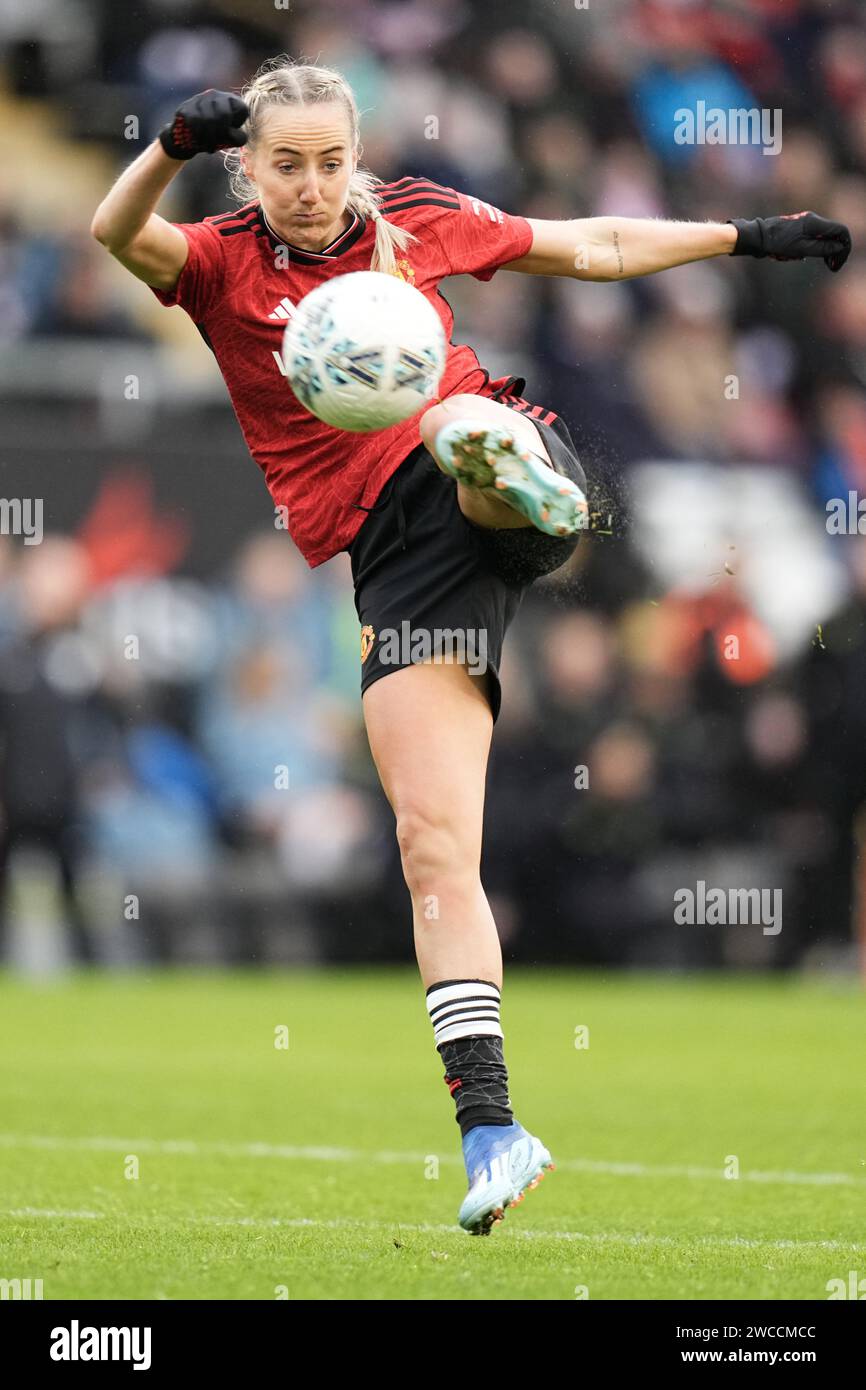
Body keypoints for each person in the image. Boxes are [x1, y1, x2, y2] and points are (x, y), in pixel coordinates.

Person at [91, 57, 851, 1235]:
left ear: (356, 156)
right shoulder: (221, 262)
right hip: (397, 567)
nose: (308, 185)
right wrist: (169, 150)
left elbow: (588, 245)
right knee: (431, 843)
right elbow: (114, 229)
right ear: (247, 163)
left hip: (473, 459)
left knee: (452, 420)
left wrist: (742, 235)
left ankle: (514, 478)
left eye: (329, 161)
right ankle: (492, 1129)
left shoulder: (421, 219)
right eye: (283, 163)